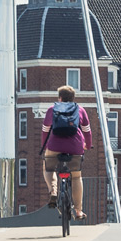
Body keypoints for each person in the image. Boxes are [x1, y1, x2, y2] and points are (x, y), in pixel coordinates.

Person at [39, 84, 92, 221]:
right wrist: (88, 145)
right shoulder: (80, 110)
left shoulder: (52, 109)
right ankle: (79, 211)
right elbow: (87, 131)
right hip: (75, 147)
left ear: (60, 98)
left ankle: (54, 191)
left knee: (48, 168)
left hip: (55, 146)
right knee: (76, 177)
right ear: (73, 98)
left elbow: (45, 130)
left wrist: (45, 147)